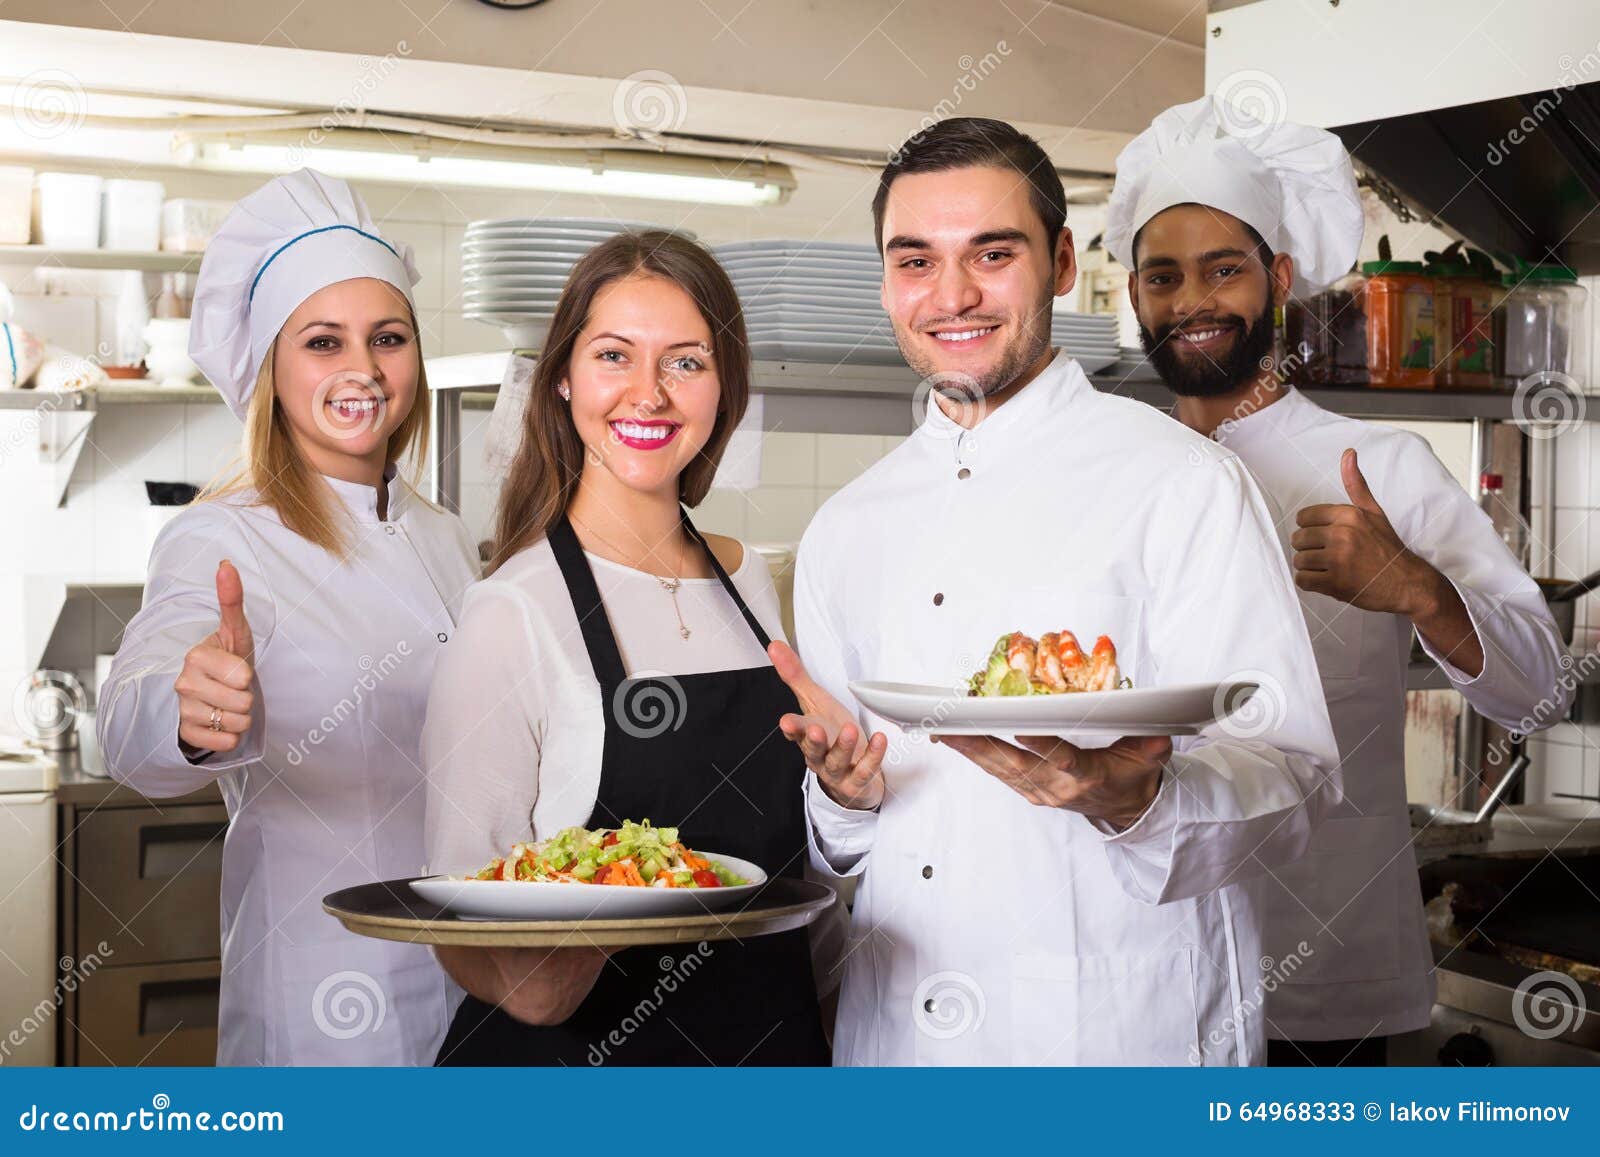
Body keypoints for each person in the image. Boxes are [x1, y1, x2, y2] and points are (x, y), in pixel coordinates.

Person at [769, 116, 1343, 1066]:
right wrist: (841, 800)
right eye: (915, 261)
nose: (952, 295)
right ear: (884, 280)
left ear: (1065, 262)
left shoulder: (1179, 481)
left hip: (1116, 1035)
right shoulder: (847, 527)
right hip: (898, 1041)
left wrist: (1137, 800)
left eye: (992, 254)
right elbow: (849, 837)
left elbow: (1292, 777)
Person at [1107, 95, 1575, 1066]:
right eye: (1162, 275)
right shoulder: (1108, 471)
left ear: (1277, 278)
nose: (1190, 299)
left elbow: (1540, 683)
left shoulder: (1384, 466)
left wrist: (1417, 588)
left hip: (1325, 980)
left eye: (1222, 268)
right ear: (1134, 292)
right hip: (1142, 971)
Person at [422, 230, 834, 1066]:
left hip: (771, 1051)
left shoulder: (755, 580)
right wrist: (537, 985)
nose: (648, 394)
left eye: (686, 362)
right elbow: (452, 911)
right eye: (615, 355)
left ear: (726, 389)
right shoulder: (513, 611)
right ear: (565, 378)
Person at [97, 170, 479, 1065]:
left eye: (388, 338)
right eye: (322, 341)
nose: (363, 369)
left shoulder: (446, 535)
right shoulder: (222, 535)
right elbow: (131, 720)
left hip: (475, 980)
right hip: (323, 1000)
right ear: (272, 365)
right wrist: (183, 712)